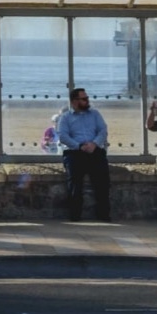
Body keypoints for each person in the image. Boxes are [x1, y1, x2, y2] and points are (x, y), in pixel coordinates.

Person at [56, 87, 111, 222]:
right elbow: (63, 136)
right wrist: (79, 146)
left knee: (102, 182)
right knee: (75, 183)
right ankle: (75, 215)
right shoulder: (66, 117)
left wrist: (94, 144)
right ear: (74, 101)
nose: (87, 101)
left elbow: (103, 131)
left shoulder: (95, 114)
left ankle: (103, 214)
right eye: (84, 99)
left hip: (94, 149)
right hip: (75, 151)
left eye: (87, 98)